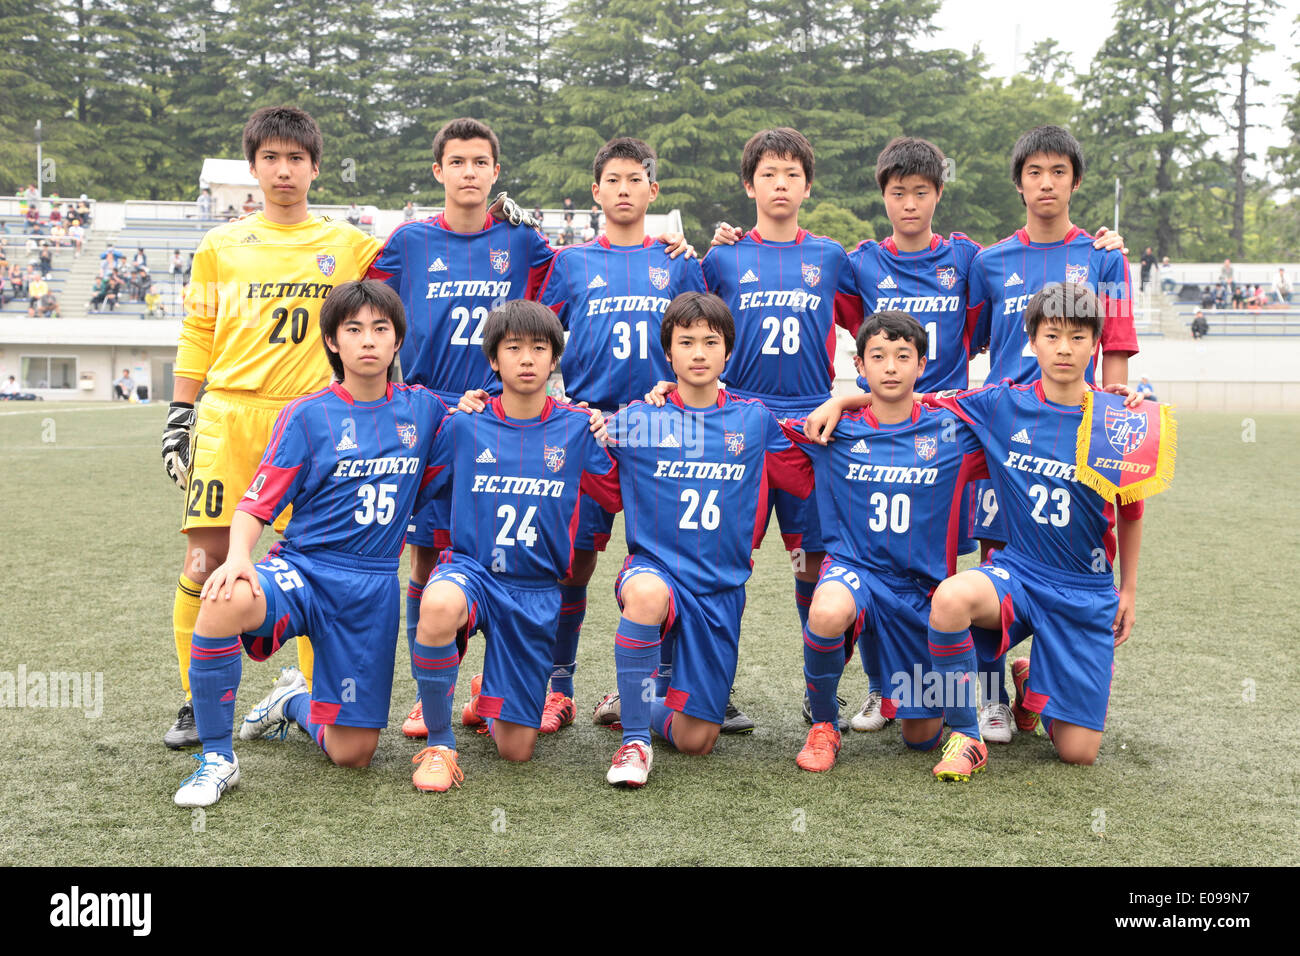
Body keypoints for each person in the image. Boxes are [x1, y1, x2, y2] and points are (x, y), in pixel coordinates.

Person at [809, 283, 1144, 779]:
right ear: (1032, 341)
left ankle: (1035, 690)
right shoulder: (998, 404)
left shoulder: (1119, 418)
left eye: (1078, 337)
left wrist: (1129, 588)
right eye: (1052, 336)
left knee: (1078, 753)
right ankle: (967, 736)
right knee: (949, 598)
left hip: (1085, 588)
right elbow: (910, 393)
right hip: (1020, 573)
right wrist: (845, 400)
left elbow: (1131, 509)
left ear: (1095, 343)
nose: (1064, 348)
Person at [171, 280, 449, 807]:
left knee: (353, 754)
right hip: (304, 569)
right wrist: (236, 559)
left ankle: (293, 701)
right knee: (222, 596)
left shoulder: (426, 410)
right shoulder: (307, 414)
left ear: (397, 343)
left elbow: (490, 416)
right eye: (353, 329)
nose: (368, 340)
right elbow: (257, 503)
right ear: (332, 342)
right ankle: (215, 757)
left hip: (371, 587)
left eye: (380, 329)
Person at [159, 106, 383, 751]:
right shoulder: (220, 245)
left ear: (315, 167)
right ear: (253, 167)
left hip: (314, 421)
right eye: (270, 159)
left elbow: (420, 273)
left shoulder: (350, 246)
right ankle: (196, 702)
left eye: (296, 159)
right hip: (230, 415)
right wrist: (181, 412)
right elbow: (198, 331)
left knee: (319, 569)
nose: (283, 171)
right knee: (205, 560)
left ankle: (315, 700)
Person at [963, 125, 1137, 741]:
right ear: (1019, 183)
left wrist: (1117, 410)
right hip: (1005, 433)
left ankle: (1039, 674)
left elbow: (1113, 352)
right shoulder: (989, 260)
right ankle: (986, 699)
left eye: (1058, 172)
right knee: (995, 560)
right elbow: (972, 343)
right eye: (1034, 172)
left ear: (1075, 181)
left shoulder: (1103, 257)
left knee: (1072, 556)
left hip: (1074, 430)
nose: (1046, 183)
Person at [598, 292, 813, 787]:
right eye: (685, 342)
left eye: (710, 342)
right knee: (647, 594)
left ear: (728, 351)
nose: (698, 352)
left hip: (719, 589)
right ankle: (634, 741)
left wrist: (850, 400)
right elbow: (594, 475)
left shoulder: (755, 421)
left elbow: (805, 469)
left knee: (697, 740)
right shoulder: (637, 419)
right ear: (668, 354)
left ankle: (636, 698)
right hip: (655, 571)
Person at [409, 301, 620, 791]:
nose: (527, 359)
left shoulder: (576, 427)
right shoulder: (464, 423)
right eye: (513, 348)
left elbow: (614, 495)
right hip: (473, 573)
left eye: (539, 349)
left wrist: (607, 437)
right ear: (493, 360)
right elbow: (423, 486)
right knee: (437, 603)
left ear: (554, 361)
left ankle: (491, 694)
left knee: (516, 750)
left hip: (536, 589)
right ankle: (439, 746)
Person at [536, 137, 706, 737]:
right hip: (590, 428)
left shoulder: (679, 261)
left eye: (637, 179)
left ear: (653, 191)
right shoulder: (572, 263)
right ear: (596, 192)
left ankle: (660, 683)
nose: (625, 189)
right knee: (572, 565)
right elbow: (539, 336)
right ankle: (558, 688)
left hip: (662, 430)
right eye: (614, 179)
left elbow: (707, 336)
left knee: (665, 563)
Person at [698, 127, 863, 733]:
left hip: (811, 427)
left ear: (808, 186)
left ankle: (823, 698)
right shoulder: (722, 257)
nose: (780, 185)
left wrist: (853, 397)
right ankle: (708, 688)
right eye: (768, 174)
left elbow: (870, 334)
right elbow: (692, 333)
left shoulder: (830, 257)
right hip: (737, 425)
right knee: (717, 560)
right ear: (748, 185)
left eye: (792, 174)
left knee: (815, 564)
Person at [782, 311, 988, 772]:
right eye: (878, 357)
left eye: (902, 357)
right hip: (855, 571)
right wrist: (672, 393)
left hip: (919, 592)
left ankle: (922, 704)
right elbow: (754, 423)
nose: (890, 367)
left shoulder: (952, 432)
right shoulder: (831, 429)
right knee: (827, 607)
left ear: (922, 364)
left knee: (921, 739)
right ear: (860, 363)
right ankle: (824, 725)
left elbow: (1013, 416)